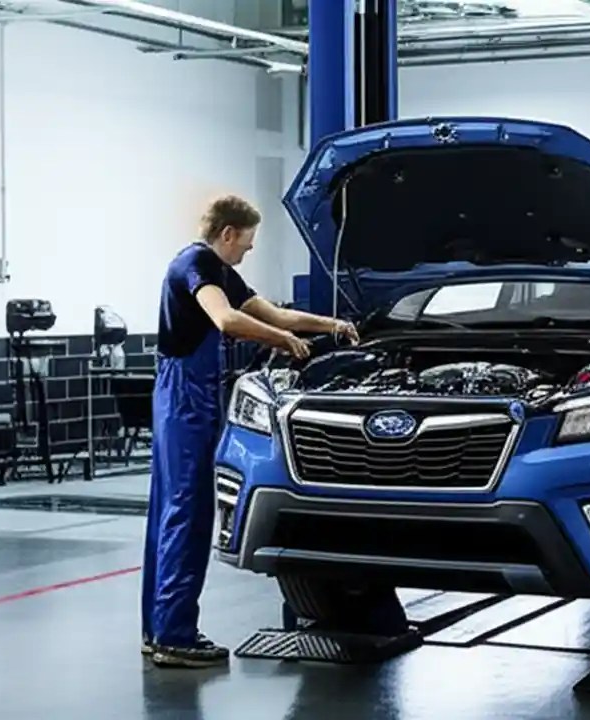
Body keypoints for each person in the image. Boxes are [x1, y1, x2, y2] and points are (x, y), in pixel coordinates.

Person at [141, 194, 358, 668]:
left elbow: (273, 313)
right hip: (183, 397)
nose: (249, 251)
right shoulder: (194, 262)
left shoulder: (220, 270)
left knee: (171, 511)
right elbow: (227, 320)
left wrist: (333, 326)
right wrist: (284, 342)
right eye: (248, 243)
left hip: (189, 395)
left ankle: (158, 629)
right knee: (187, 514)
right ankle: (175, 636)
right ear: (227, 234)